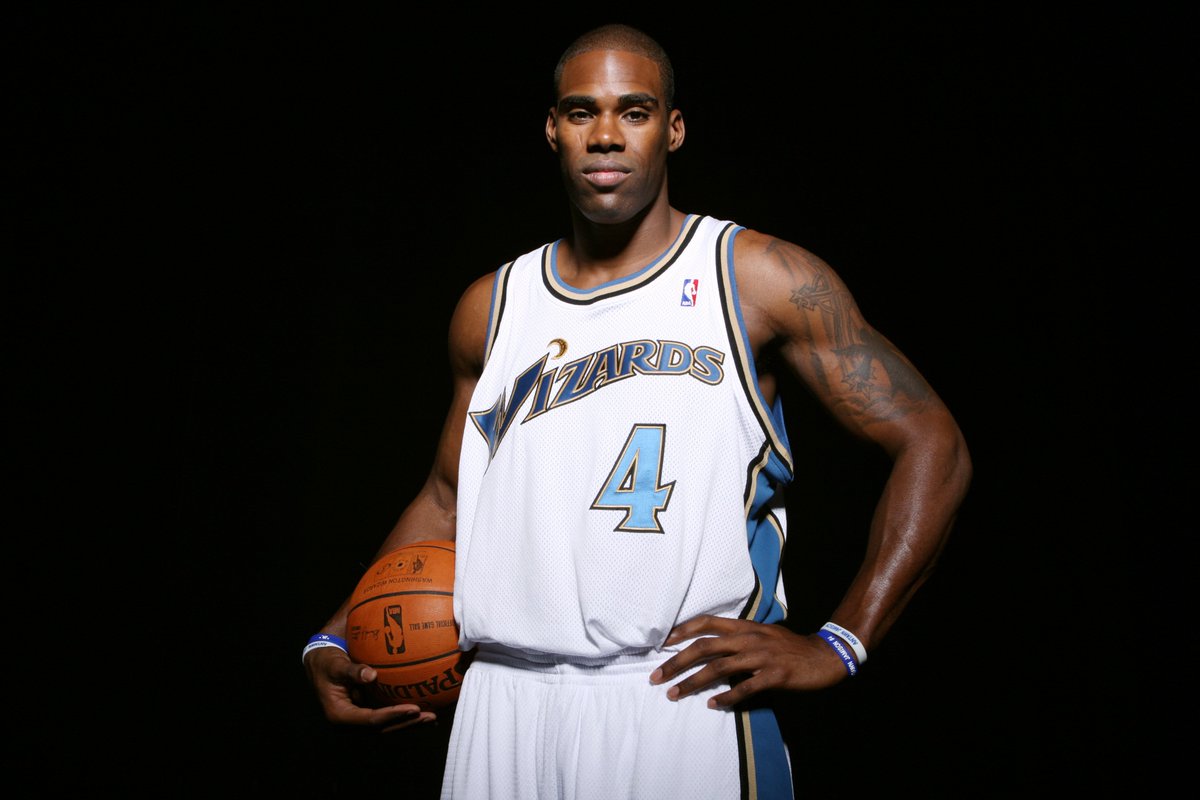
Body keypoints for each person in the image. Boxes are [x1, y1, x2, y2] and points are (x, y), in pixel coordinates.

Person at [303, 23, 972, 800]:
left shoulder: (755, 278)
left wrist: (842, 641)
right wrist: (334, 634)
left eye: (635, 111)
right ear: (552, 129)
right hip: (498, 704)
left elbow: (933, 442)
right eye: (581, 112)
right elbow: (448, 500)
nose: (606, 134)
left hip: (679, 695)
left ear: (673, 129)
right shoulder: (491, 308)